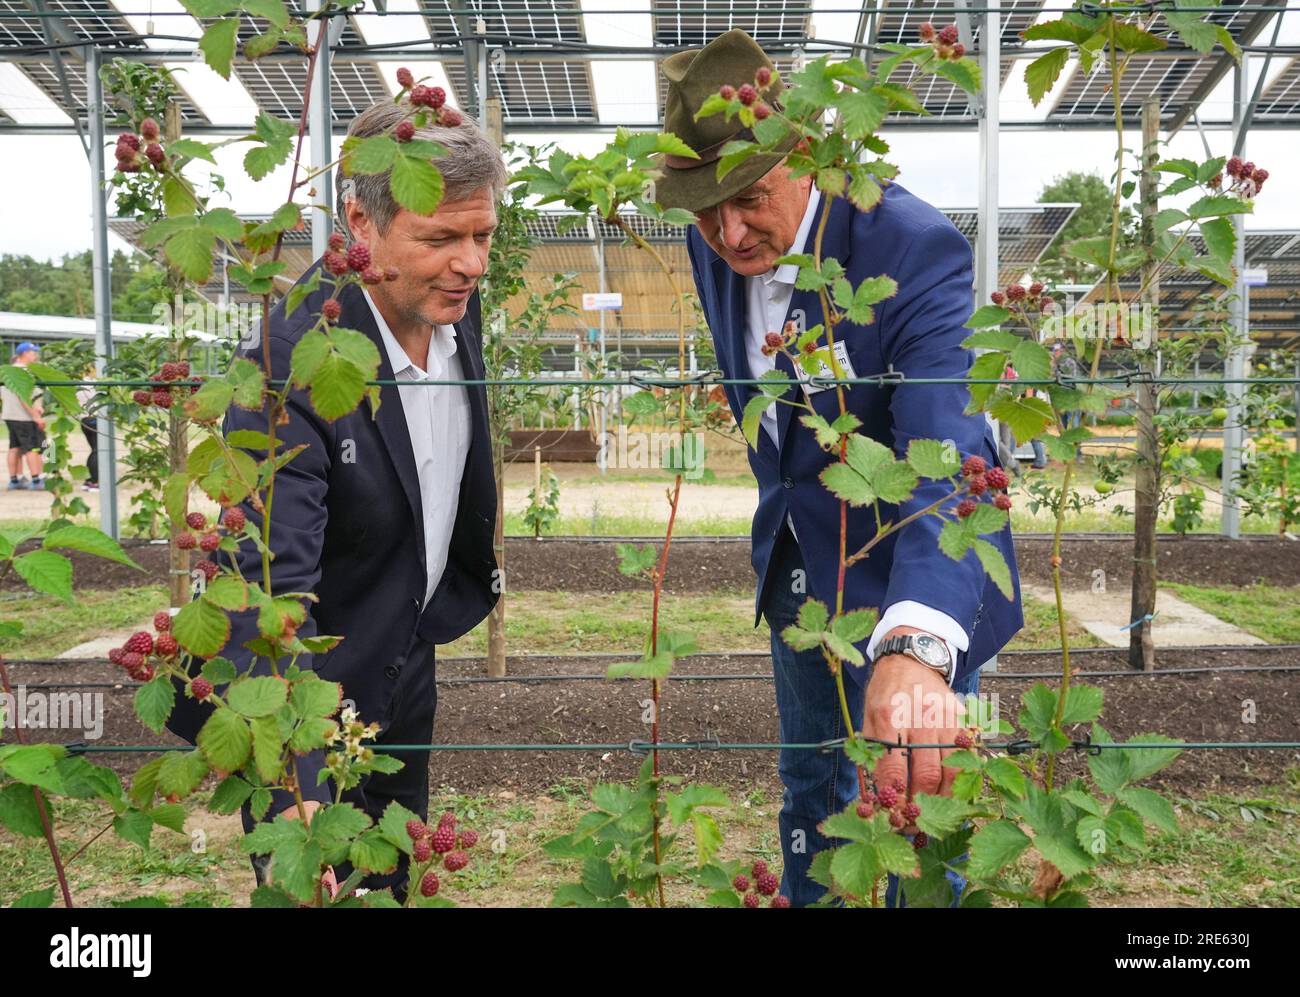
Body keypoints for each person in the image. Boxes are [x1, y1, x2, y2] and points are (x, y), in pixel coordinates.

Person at [657, 29, 1024, 906]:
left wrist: (914, 646)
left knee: (913, 810)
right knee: (813, 794)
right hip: (797, 571)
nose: (730, 232)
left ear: (807, 156)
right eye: (705, 210)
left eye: (748, 196)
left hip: (907, 570)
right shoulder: (720, 250)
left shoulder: (912, 250)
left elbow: (946, 451)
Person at [166, 99, 505, 900]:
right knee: (318, 888)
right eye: (441, 239)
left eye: (482, 236)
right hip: (298, 689)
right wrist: (298, 780)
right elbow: (268, 585)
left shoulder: (453, 302)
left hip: (405, 647)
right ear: (359, 220)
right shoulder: (291, 360)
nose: (471, 264)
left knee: (389, 879)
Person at [2, 342, 46, 491]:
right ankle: (37, 479)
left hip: (10, 415)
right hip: (24, 416)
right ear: (24, 354)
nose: (36, 355)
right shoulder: (23, 372)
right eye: (33, 352)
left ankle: (15, 480)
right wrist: (36, 416)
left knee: (14, 447)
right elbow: (23, 396)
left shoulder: (8, 371)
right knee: (32, 448)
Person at [76, 363, 100, 490]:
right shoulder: (91, 383)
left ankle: (89, 480)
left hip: (84, 419)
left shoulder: (79, 383)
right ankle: (95, 481)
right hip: (94, 418)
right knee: (98, 451)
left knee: (94, 450)